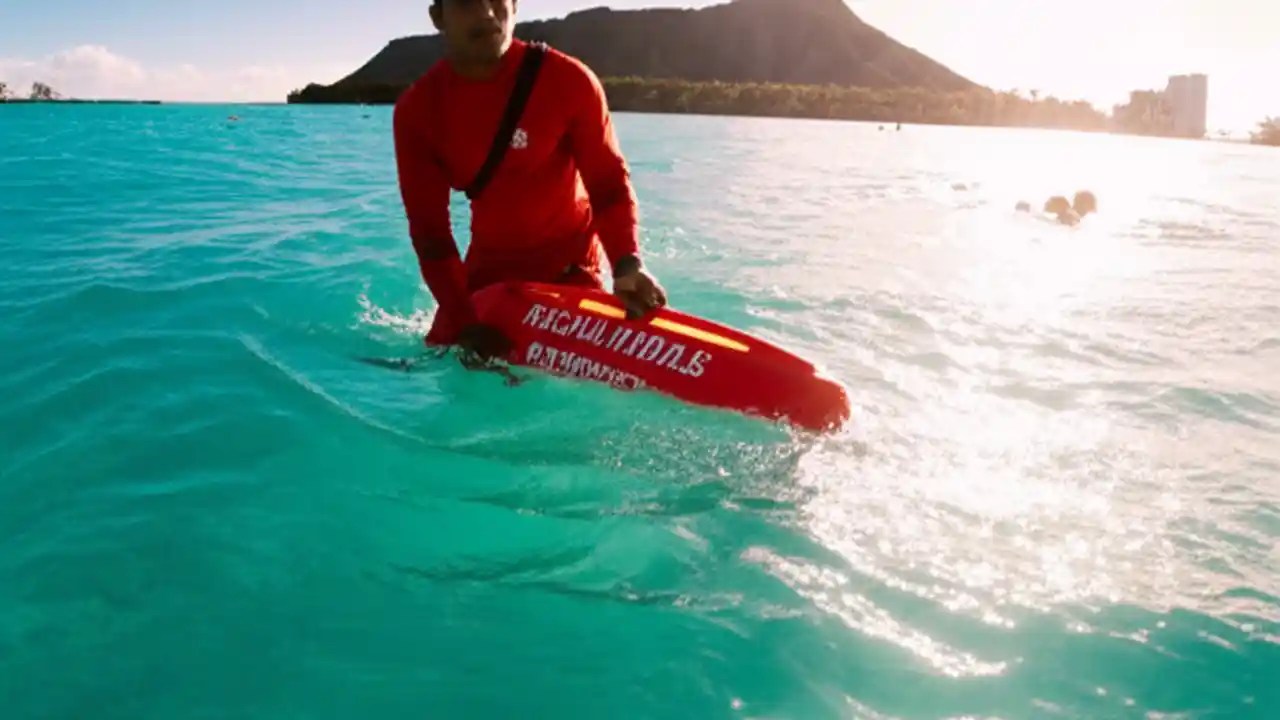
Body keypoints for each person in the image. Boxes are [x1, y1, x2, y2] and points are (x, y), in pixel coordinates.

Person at [392, 0, 667, 360]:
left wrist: (626, 263)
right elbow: (431, 235)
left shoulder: (568, 81)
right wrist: (462, 317)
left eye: (496, 0)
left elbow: (608, 184)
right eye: (465, 3)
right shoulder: (419, 111)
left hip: (573, 275)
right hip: (487, 285)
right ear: (437, 17)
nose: (487, 13)